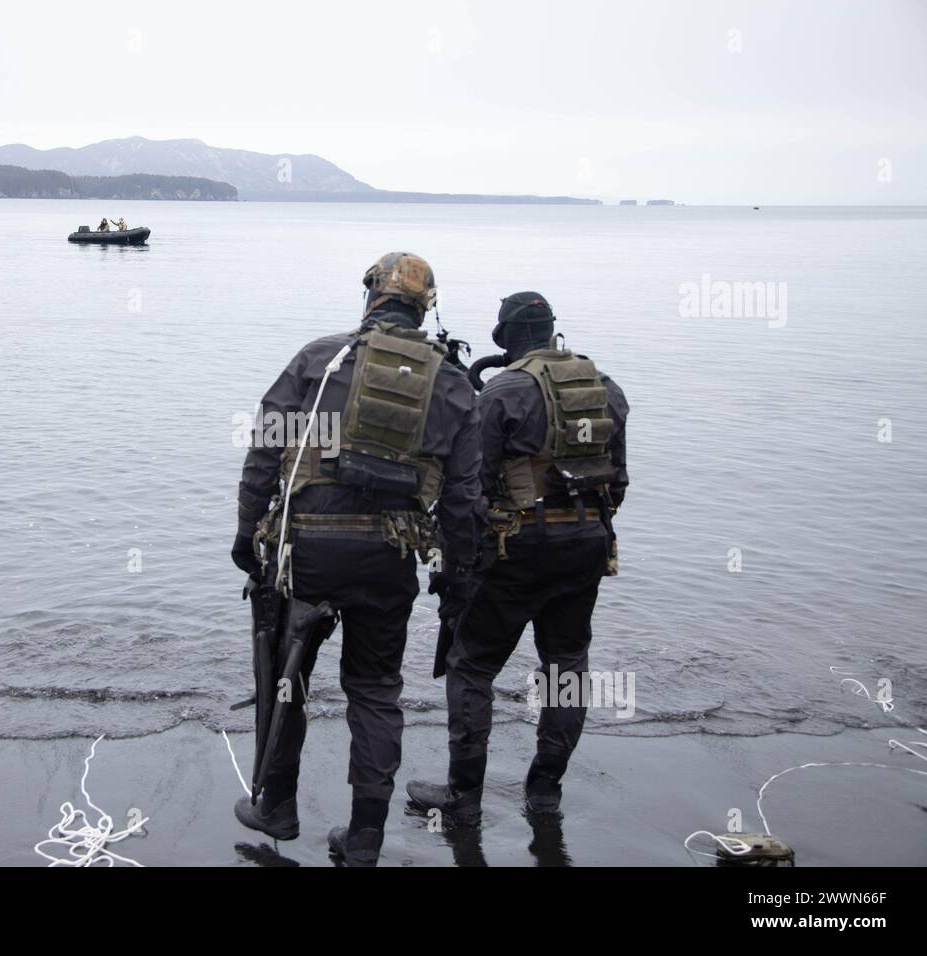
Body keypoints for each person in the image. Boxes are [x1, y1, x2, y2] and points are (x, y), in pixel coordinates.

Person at [232, 252, 481, 866]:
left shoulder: (320, 358)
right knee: (375, 692)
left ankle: (278, 807)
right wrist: (458, 576)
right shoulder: (451, 381)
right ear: (425, 307)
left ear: (371, 295)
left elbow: (265, 449)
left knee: (288, 678)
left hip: (308, 552)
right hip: (389, 557)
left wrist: (245, 535)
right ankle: (366, 835)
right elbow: (464, 499)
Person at [406, 291, 629, 825]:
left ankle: (463, 797)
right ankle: (546, 790)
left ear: (504, 338)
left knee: (473, 664)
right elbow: (617, 482)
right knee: (566, 665)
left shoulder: (503, 391)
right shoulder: (607, 388)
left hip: (517, 550)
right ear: (553, 330)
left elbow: (468, 490)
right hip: (587, 544)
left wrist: (456, 561)